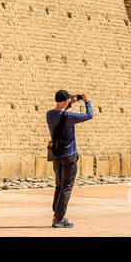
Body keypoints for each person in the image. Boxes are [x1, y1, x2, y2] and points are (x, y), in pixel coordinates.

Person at [46, 89, 94, 229]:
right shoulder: (70, 116)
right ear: (66, 101)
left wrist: (70, 102)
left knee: (59, 186)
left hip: (56, 156)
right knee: (66, 187)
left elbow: (61, 113)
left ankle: (58, 213)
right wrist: (87, 101)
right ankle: (58, 218)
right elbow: (89, 115)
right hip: (69, 156)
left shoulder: (49, 114)